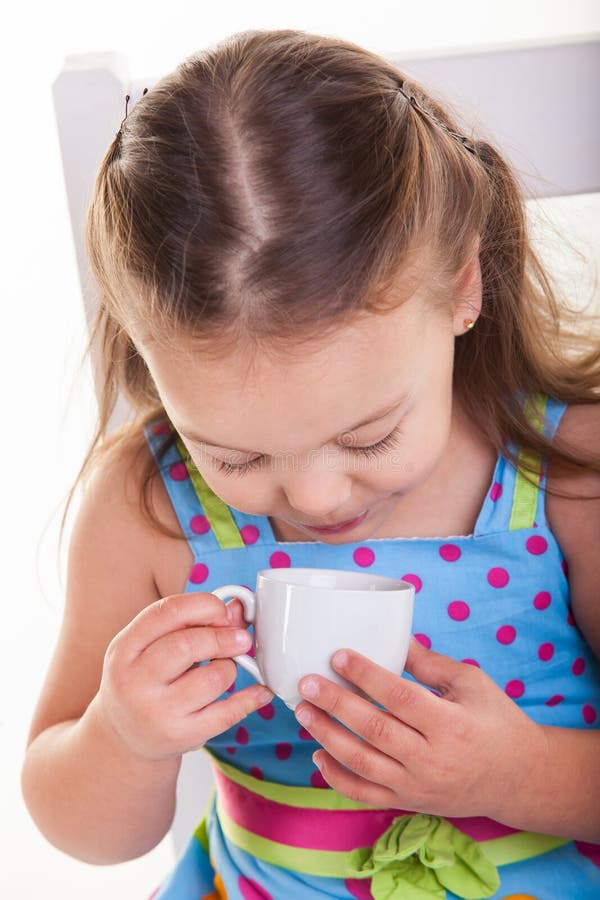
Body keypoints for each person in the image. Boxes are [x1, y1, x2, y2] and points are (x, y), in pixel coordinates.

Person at [21, 27, 600, 900]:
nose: (317, 496)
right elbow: (80, 827)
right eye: (237, 454)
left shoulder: (565, 472)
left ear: (463, 287)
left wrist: (515, 776)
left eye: (369, 437)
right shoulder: (148, 509)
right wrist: (124, 735)